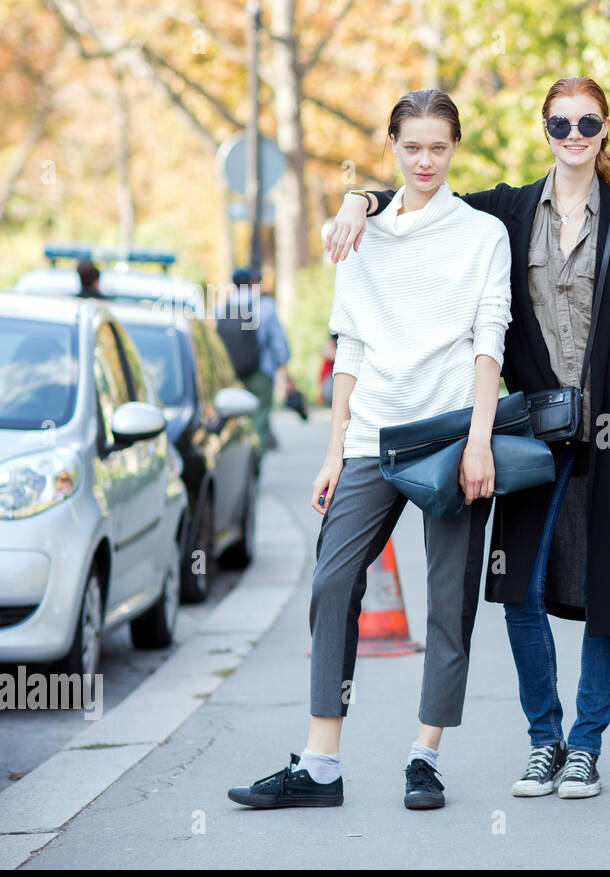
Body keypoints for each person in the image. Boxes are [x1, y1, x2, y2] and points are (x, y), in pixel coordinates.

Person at [330, 76, 610, 800]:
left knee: (606, 588)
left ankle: (586, 745)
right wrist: (355, 200)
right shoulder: (509, 210)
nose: (574, 137)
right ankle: (543, 738)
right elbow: (421, 192)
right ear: (544, 130)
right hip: (529, 429)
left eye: (587, 124)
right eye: (560, 125)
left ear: (606, 130)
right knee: (519, 586)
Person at [227, 88, 511, 810]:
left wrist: (481, 441)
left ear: (454, 150)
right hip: (371, 437)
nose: (425, 160)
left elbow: (489, 342)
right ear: (392, 147)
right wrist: (333, 449)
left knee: (449, 598)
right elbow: (347, 344)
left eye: (438, 147)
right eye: (411, 146)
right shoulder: (359, 232)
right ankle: (321, 765)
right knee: (331, 583)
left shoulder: (482, 235)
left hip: (450, 436)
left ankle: (426, 754)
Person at [215, 266, 290, 451]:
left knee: (234, 416)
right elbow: (277, 340)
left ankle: (236, 454)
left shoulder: (222, 307)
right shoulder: (265, 306)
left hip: (232, 373)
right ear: (253, 283)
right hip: (260, 371)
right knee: (260, 417)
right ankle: (255, 459)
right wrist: (283, 364)